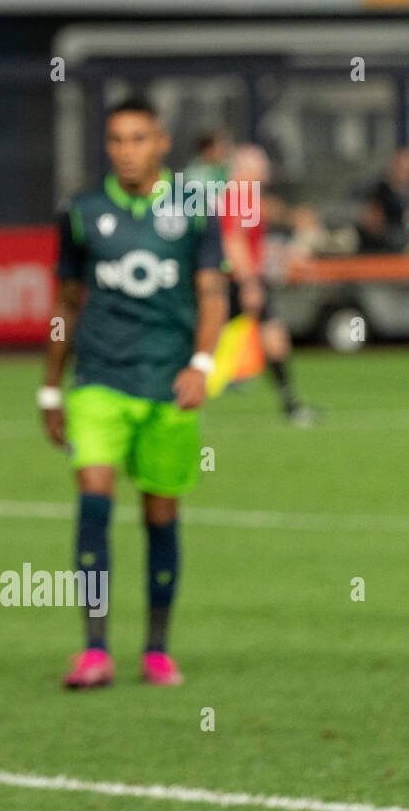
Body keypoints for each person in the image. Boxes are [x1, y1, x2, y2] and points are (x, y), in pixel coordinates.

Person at [41, 97, 228, 689]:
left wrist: (202, 362)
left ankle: (156, 648)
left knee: (160, 516)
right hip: (98, 380)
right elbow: (67, 304)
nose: (126, 150)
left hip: (168, 384)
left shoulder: (195, 208)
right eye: (117, 140)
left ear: (162, 141)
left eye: (138, 138)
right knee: (93, 502)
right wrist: (51, 387)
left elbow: (214, 294)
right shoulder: (81, 210)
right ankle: (94, 650)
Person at [221, 144, 318, 424]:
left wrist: (279, 255)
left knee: (274, 338)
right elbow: (233, 244)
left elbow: (250, 245)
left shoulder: (247, 198)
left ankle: (292, 406)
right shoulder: (237, 197)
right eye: (260, 167)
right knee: (198, 342)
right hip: (232, 282)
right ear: (244, 169)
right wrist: (250, 284)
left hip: (244, 279)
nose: (265, 172)